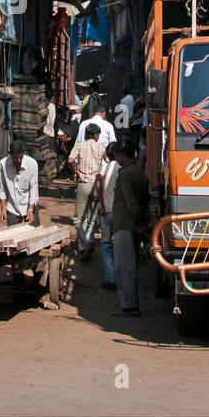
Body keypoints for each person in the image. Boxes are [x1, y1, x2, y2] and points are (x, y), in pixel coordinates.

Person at [111, 138, 149, 317]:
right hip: (133, 226)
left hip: (125, 224)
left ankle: (128, 305)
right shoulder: (139, 172)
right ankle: (130, 303)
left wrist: (138, 221)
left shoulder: (125, 174)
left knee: (124, 266)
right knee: (130, 265)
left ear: (120, 154)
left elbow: (130, 202)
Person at [67, 123, 104, 258]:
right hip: (96, 186)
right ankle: (88, 244)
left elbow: (70, 160)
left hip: (83, 185)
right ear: (95, 135)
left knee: (79, 219)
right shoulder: (100, 147)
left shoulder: (79, 145)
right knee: (92, 218)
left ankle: (86, 243)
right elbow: (107, 160)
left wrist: (75, 171)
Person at [0, 138, 38, 227]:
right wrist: (3, 209)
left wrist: (30, 210)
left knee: (33, 234)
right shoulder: (3, 165)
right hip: (12, 207)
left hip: (29, 204)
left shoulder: (32, 164)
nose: (18, 160)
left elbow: (33, 189)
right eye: (15, 158)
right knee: (13, 236)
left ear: (23, 154)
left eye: (20, 157)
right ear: (10, 154)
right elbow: (2, 188)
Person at [96, 141, 120, 289]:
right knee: (119, 244)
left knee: (106, 244)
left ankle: (110, 277)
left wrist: (102, 205)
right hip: (118, 212)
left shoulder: (104, 166)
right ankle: (119, 277)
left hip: (106, 211)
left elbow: (98, 184)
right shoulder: (122, 167)